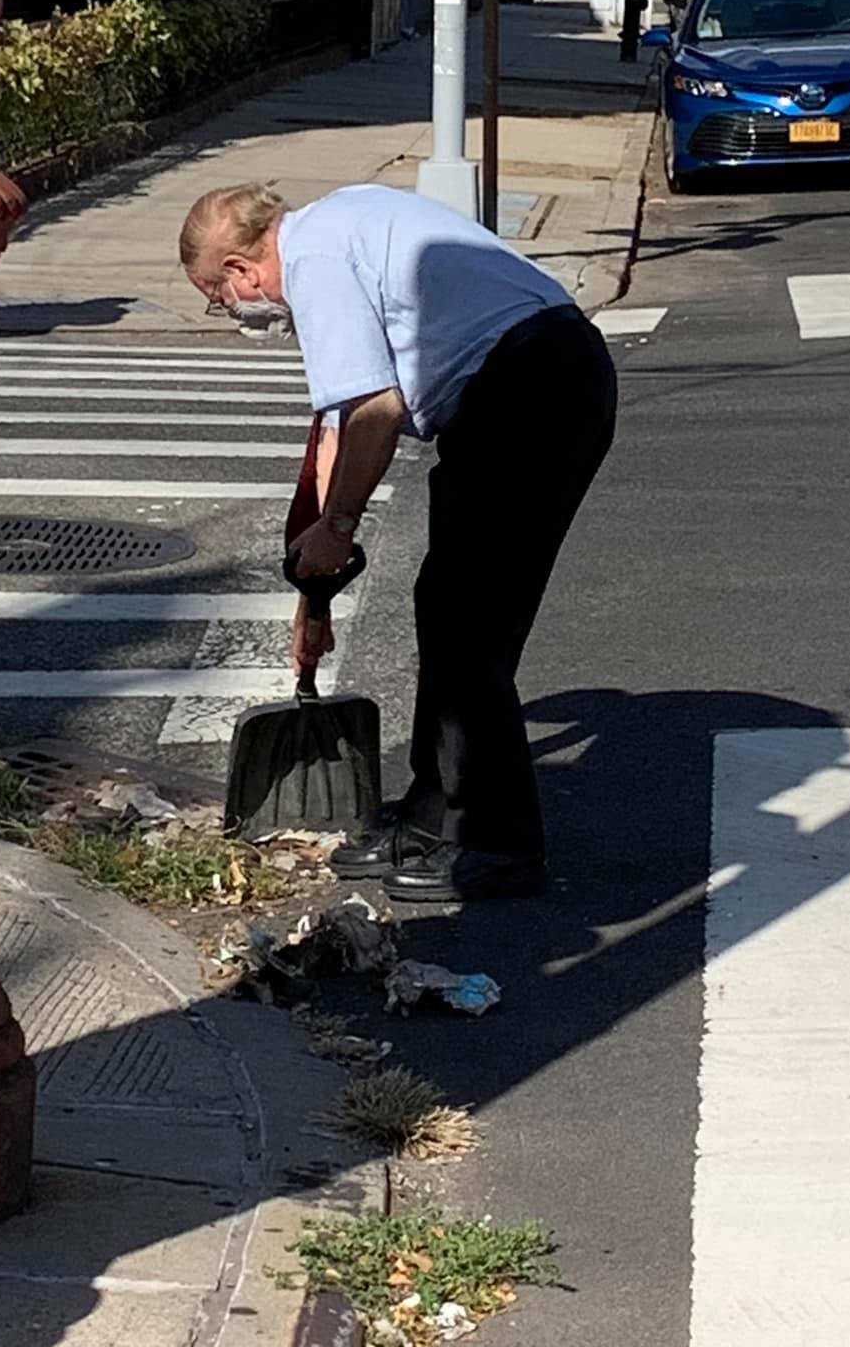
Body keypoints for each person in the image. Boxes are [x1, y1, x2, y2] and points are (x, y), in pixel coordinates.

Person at [180, 182, 617, 904]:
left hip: (532, 387)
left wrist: (342, 526)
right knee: (446, 604)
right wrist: (313, 594)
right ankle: (432, 814)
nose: (236, 311)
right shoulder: (338, 225)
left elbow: (375, 412)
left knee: (469, 621)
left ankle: (499, 841)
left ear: (240, 269)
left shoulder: (313, 259)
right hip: (534, 382)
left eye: (218, 298)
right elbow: (333, 432)